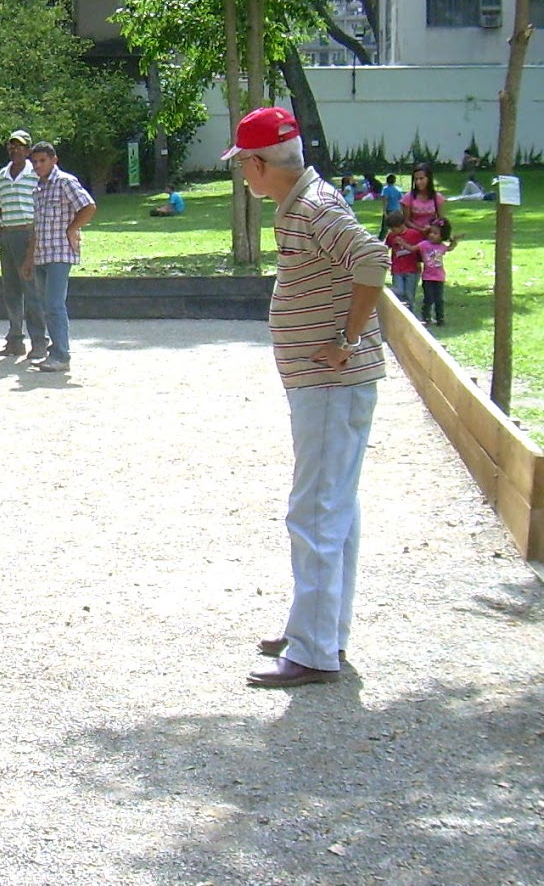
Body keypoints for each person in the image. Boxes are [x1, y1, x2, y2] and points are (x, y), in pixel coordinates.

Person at [222, 107, 389, 689]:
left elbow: (373, 260)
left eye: (244, 163)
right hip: (324, 384)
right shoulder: (302, 205)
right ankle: (318, 628)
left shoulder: (313, 208)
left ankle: (315, 652)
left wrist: (345, 338)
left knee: (315, 510)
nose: (243, 174)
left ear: (260, 162)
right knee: (333, 508)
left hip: (331, 383)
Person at [26, 141, 97, 374]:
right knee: (46, 305)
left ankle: (61, 355)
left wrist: (72, 228)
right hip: (41, 254)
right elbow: (36, 226)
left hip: (60, 252)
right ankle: (54, 351)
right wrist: (28, 259)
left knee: (55, 304)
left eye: (42, 161)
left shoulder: (65, 182)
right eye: (34, 161)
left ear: (54, 160)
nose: (38, 165)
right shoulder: (38, 188)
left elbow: (88, 207)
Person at [0, 130, 44, 359]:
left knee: (31, 290)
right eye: (11, 146)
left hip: (28, 234)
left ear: (28, 150)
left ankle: (40, 341)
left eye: (19, 146)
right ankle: (15, 340)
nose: (14, 150)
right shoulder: (3, 174)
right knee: (10, 290)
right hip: (9, 235)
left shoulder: (35, 174)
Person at [416, 218, 457, 327]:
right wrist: (403, 244)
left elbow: (451, 247)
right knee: (428, 298)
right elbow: (412, 248)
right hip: (427, 277)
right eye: (431, 232)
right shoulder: (424, 245)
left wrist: (453, 240)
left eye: (435, 233)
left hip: (439, 278)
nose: (432, 235)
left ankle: (440, 318)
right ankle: (426, 317)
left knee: (439, 299)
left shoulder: (442, 247)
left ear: (442, 236)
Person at [383, 210, 424, 307]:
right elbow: (386, 247)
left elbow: (420, 249)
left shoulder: (413, 234)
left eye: (394, 229)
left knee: (409, 296)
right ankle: (386, 292)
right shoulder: (391, 236)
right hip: (397, 269)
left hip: (412, 269)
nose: (393, 231)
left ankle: (411, 316)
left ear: (401, 225)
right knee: (399, 291)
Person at [402, 162, 444, 233]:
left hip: (431, 235)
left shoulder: (437, 197)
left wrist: (432, 228)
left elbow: (441, 219)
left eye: (421, 178)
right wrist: (420, 229)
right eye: (416, 179)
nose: (418, 182)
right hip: (414, 234)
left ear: (429, 179)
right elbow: (406, 221)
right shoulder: (408, 198)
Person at [377, 173, 404, 238]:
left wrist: (384, 211)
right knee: (396, 226)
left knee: (384, 228)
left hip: (389, 210)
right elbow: (401, 200)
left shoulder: (385, 189)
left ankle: (380, 241)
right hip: (396, 210)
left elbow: (385, 200)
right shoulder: (397, 189)